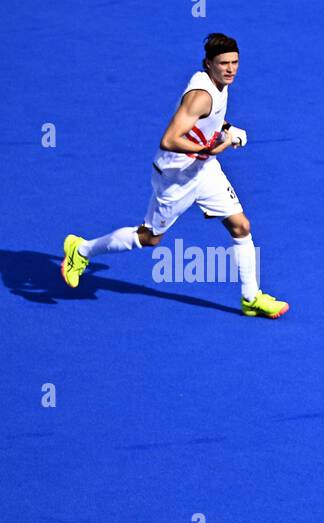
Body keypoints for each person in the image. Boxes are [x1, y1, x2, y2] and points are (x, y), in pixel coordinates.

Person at [60, 33, 287, 318]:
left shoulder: (219, 84)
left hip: (203, 171)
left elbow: (212, 121)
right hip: (175, 177)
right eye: (223, 63)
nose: (230, 69)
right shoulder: (200, 97)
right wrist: (219, 145)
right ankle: (81, 250)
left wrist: (227, 129)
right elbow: (169, 139)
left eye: (235, 62)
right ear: (209, 64)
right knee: (149, 238)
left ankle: (250, 297)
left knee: (240, 226)